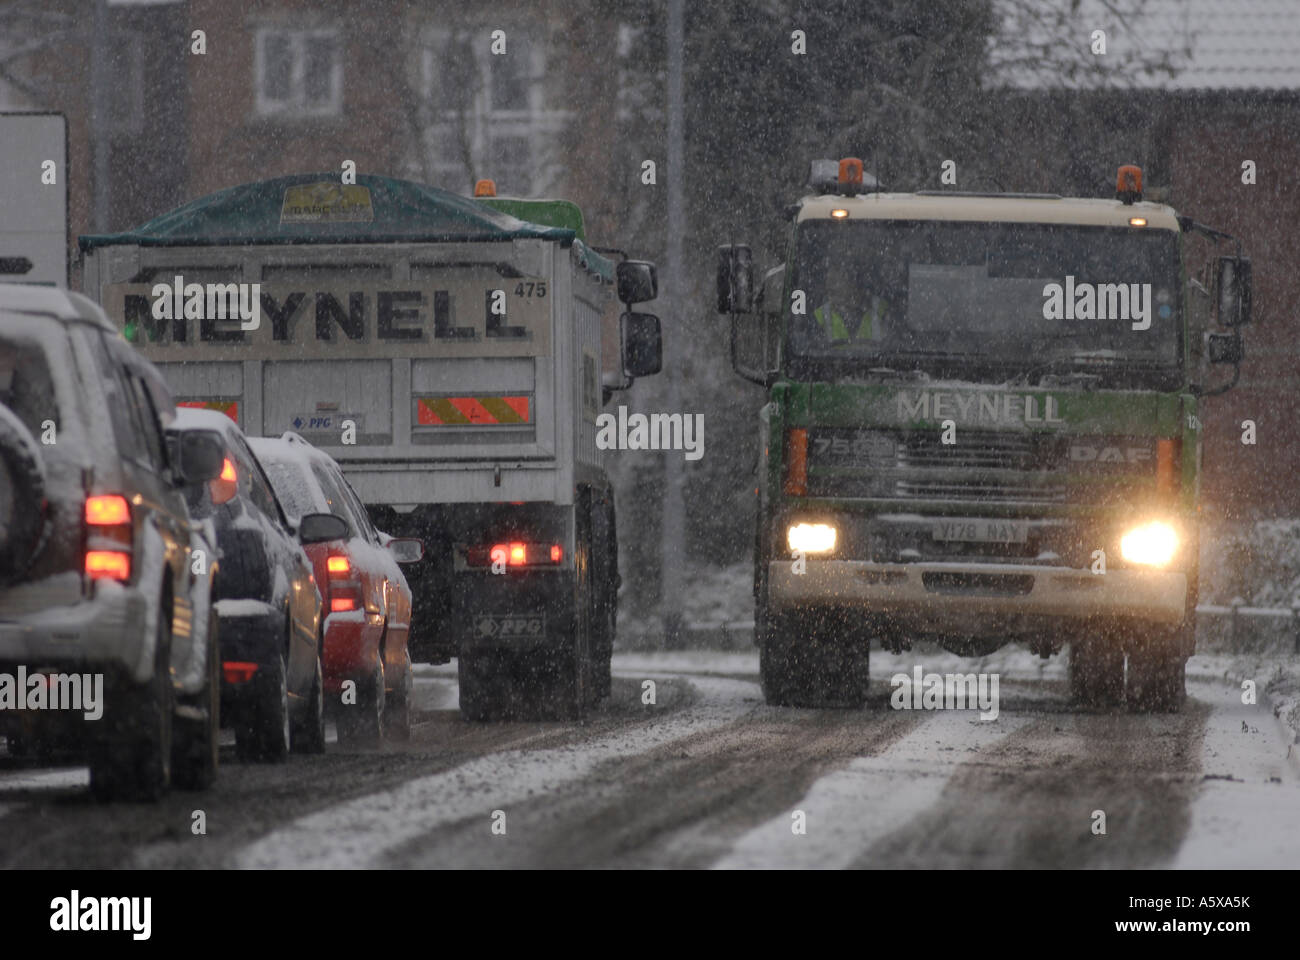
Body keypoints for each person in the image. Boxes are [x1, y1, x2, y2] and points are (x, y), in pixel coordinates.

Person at [813, 266, 889, 348]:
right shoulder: (819, 316)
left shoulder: (882, 311)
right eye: (827, 281)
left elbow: (892, 347)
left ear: (855, 283)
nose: (828, 286)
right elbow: (813, 350)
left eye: (834, 281)